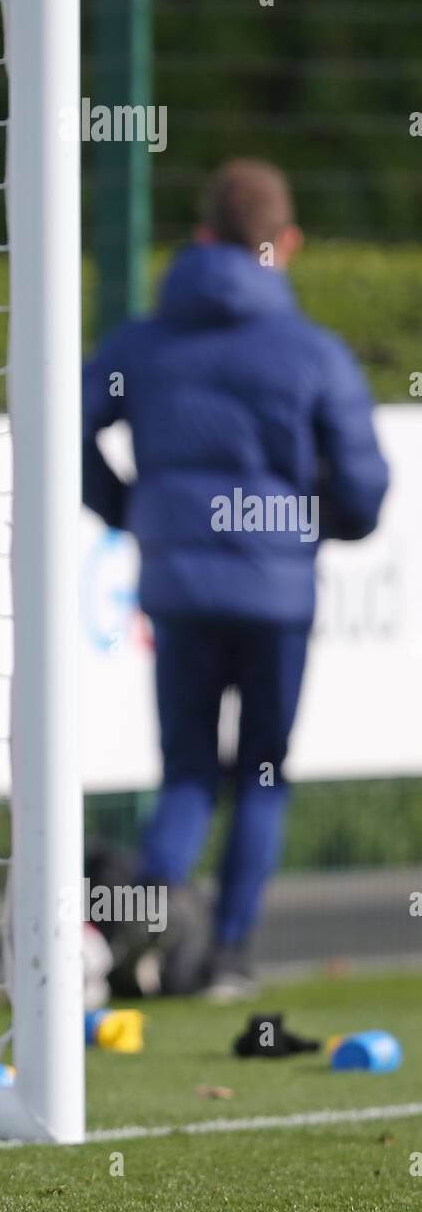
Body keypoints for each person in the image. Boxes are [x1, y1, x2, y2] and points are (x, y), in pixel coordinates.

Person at [82, 159, 388, 1001]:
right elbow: (363, 490)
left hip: (178, 588)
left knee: (184, 769)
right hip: (274, 595)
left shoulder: (141, 343)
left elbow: (70, 425)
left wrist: (126, 510)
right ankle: (228, 958)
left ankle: (149, 943)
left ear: (204, 236)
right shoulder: (312, 353)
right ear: (284, 243)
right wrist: (310, 525)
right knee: (261, 771)